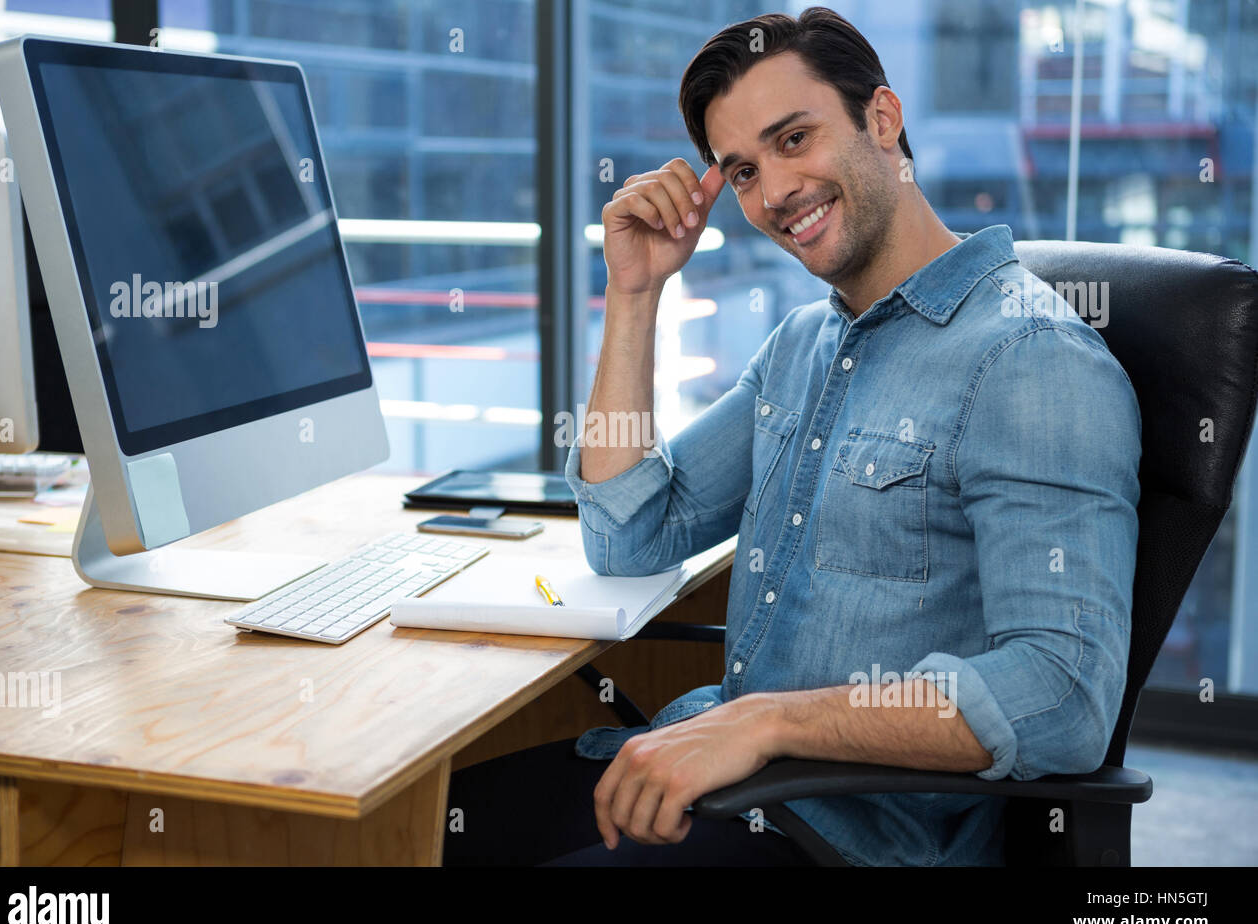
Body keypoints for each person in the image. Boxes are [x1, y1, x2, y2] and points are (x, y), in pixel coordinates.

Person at [445, 6, 1141, 867]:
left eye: (793, 139)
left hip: (845, 841)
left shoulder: (1028, 360)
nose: (773, 194)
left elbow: (1064, 694)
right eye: (741, 171)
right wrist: (634, 297)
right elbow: (627, 535)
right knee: (413, 830)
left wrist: (768, 721)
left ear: (882, 120)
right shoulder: (803, 345)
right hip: (720, 782)